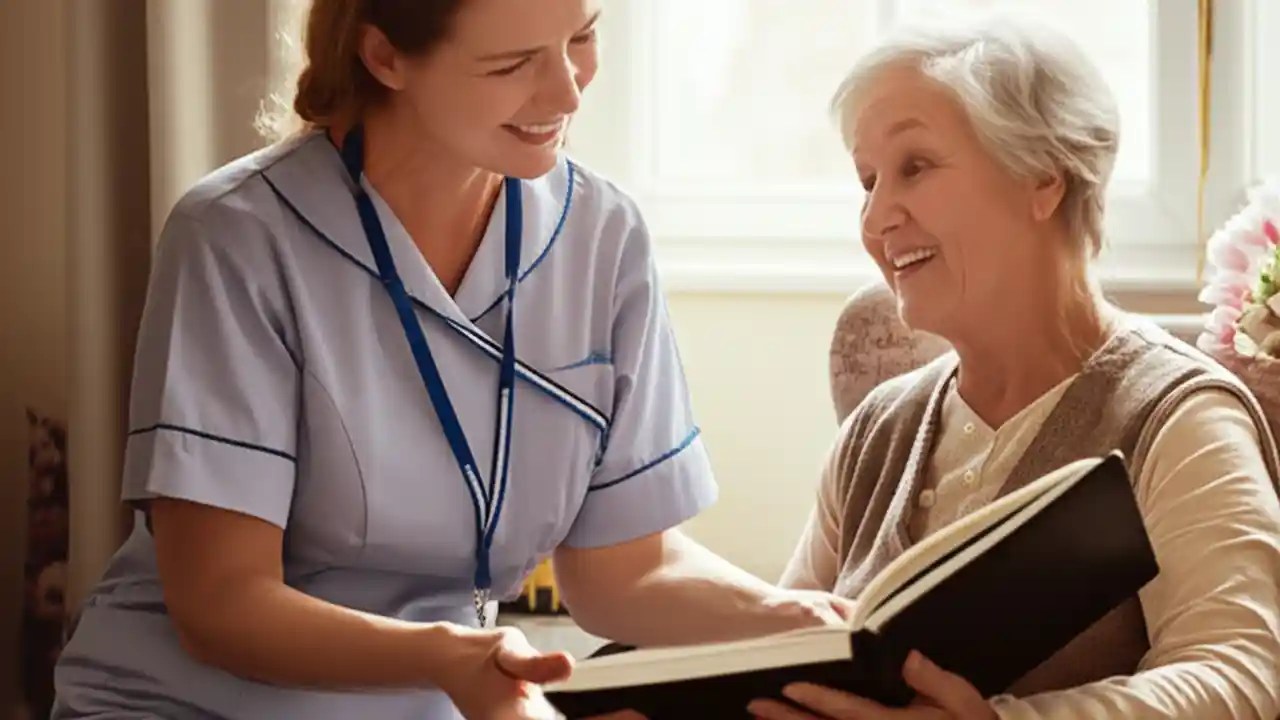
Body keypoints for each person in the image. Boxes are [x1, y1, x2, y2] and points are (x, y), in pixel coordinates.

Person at [49, 1, 854, 718]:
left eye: (582, 36)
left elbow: (623, 575)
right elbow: (222, 603)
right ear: (385, 57)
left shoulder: (603, 239)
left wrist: (803, 620)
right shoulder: (238, 237)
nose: (569, 92)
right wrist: (444, 655)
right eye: (512, 64)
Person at [750, 13, 1280, 720]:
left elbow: (1242, 673)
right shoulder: (875, 431)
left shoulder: (1180, 419)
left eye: (914, 167)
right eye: (868, 181)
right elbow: (783, 651)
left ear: (1043, 176)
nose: (876, 218)